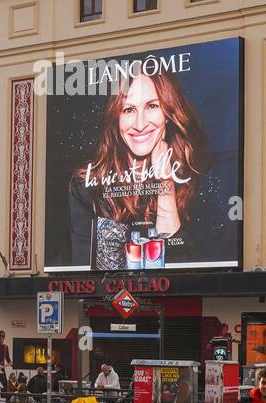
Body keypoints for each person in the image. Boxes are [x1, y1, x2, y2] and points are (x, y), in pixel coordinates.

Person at [66, 70, 230, 270]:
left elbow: (187, 276)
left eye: (152, 106)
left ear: (168, 114)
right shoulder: (87, 184)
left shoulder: (202, 177)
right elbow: (84, 274)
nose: (140, 124)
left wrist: (166, 188)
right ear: (116, 119)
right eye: (128, 110)